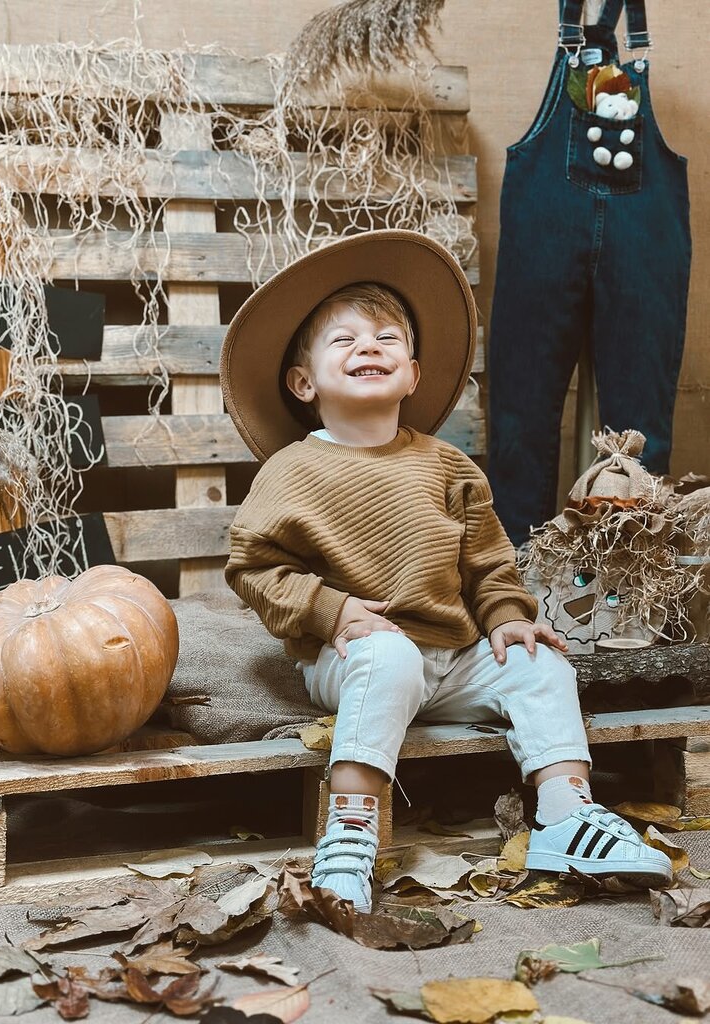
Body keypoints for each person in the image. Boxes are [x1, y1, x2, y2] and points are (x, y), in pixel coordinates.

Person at [220, 230, 671, 914]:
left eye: (385, 338)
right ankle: (349, 828)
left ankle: (565, 814)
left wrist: (507, 617)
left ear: (413, 373)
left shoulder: (448, 467)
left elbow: (486, 563)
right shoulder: (291, 470)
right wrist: (328, 610)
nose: (367, 347)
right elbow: (254, 566)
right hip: (352, 656)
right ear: (302, 381)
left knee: (541, 667)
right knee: (389, 656)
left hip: (450, 657)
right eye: (342, 340)